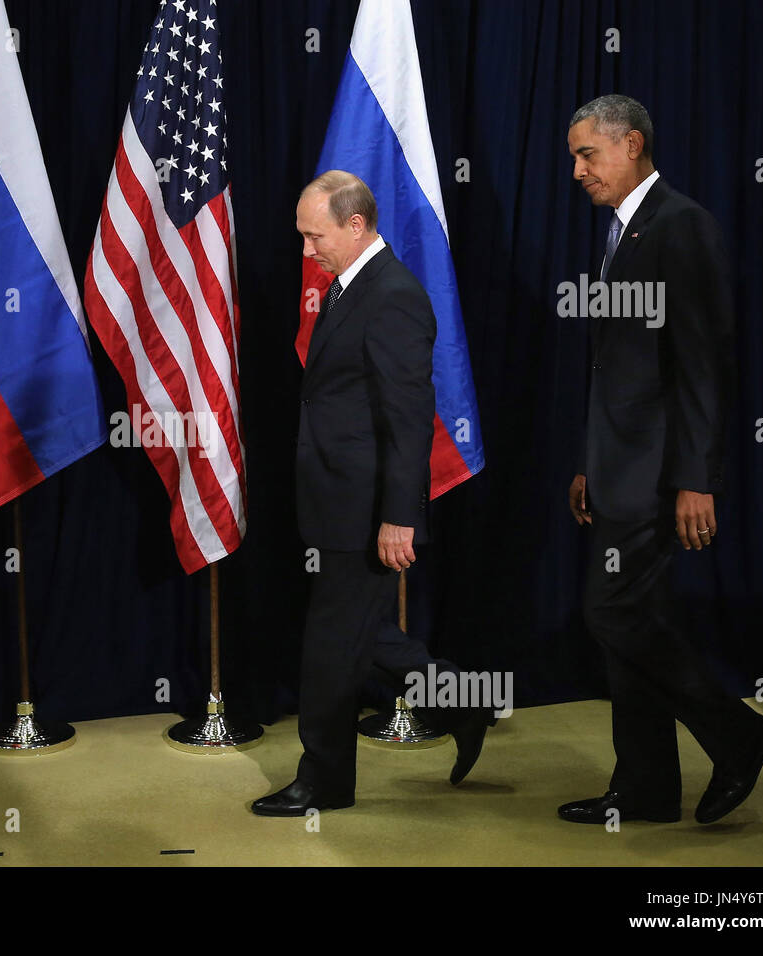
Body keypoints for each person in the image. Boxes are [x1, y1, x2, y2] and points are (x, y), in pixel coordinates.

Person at [560, 94, 763, 826]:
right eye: (573, 157)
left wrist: (696, 479)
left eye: (588, 154)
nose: (578, 171)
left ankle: (739, 735)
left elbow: (702, 366)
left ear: (633, 145)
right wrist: (592, 460)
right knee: (632, 625)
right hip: (621, 468)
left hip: (660, 473)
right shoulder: (622, 233)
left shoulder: (682, 226)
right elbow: (619, 367)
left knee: (610, 612)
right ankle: (647, 790)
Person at [251, 171, 494, 817]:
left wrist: (398, 519)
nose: (307, 251)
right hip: (334, 497)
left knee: (332, 645)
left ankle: (324, 782)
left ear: (355, 225)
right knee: (356, 635)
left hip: (365, 509)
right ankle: (463, 702)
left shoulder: (392, 296)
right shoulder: (347, 288)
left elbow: (410, 417)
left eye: (315, 236)